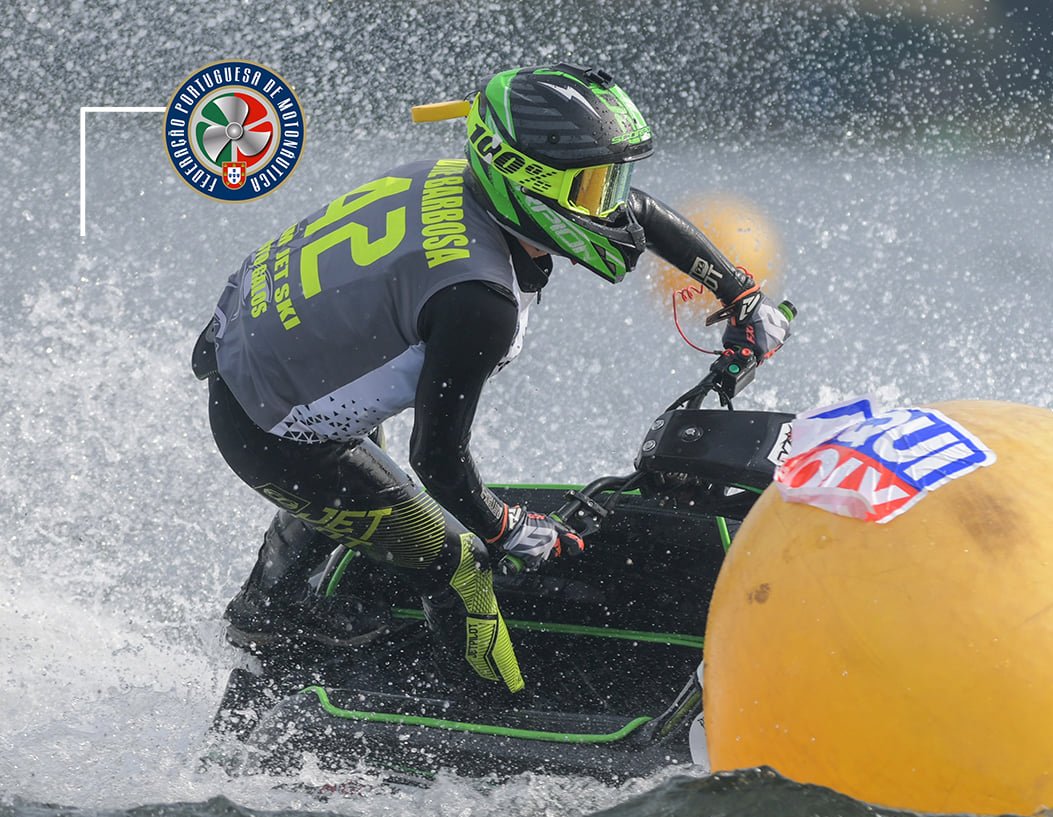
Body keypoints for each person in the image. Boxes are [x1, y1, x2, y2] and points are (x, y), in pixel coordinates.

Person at [193, 64, 793, 693]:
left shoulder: (465, 180)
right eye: (593, 188)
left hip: (253, 362)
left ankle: (266, 611)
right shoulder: (480, 302)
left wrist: (741, 295)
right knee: (462, 562)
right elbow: (440, 460)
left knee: (369, 445)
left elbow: (635, 213)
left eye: (612, 181)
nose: (612, 207)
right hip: (271, 432)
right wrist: (508, 526)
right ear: (526, 184)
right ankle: (498, 713)